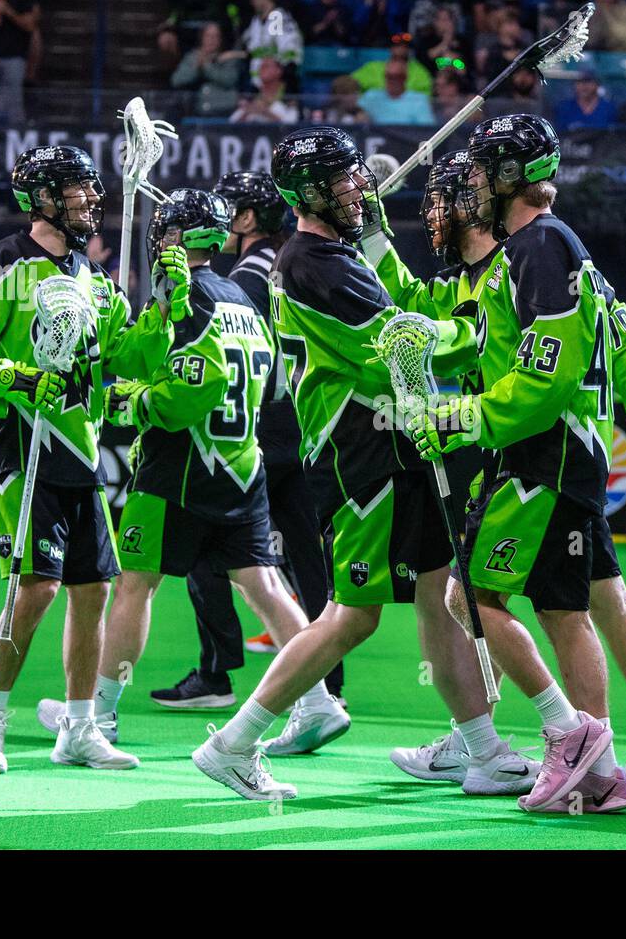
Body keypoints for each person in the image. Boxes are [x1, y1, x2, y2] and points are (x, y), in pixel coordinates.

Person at [191, 127, 536, 801]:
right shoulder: (315, 262)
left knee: (443, 596)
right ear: (308, 193)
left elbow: (401, 313)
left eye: (357, 176)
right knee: (353, 615)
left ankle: (483, 750)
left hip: (394, 450)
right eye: (343, 180)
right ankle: (233, 743)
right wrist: (480, 331)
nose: (357, 187)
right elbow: (398, 344)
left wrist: (377, 234)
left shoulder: (335, 255)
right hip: (361, 456)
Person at [362, 149, 626, 793]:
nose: (441, 212)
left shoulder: (533, 252)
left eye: (455, 195)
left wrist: (456, 416)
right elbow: (623, 336)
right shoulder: (547, 254)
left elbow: (532, 371)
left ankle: (576, 749)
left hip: (541, 451)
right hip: (567, 448)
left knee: (492, 600)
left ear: (489, 193)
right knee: (594, 600)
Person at [34, 189, 349, 755]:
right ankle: (318, 700)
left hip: (181, 466)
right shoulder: (242, 298)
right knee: (265, 583)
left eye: (166, 228)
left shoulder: (187, 296)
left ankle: (97, 718)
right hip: (243, 463)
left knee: (135, 585)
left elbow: (186, 391)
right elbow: (267, 382)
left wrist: (135, 399)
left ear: (178, 236)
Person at [0, 145, 175, 773]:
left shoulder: (95, 278)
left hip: (78, 448)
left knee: (92, 590)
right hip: (19, 440)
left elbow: (128, 355)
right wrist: (16, 378)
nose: (92, 199)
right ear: (41, 198)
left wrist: (169, 301)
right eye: (76, 189)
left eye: (93, 189)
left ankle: (80, 726)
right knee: (34, 587)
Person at [147, 171, 343, 709]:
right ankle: (324, 684)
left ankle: (217, 674)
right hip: (296, 428)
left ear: (246, 218)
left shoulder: (246, 279)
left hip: (250, 429)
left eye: (225, 209)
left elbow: (217, 361)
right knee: (297, 558)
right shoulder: (285, 263)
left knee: (211, 559)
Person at [170, 21, 244, 118]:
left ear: (221, 39)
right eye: (208, 36)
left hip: (223, 111)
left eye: (216, 36)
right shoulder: (192, 57)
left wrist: (206, 67)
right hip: (196, 111)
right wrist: (197, 68)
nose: (212, 40)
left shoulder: (228, 58)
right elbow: (176, 80)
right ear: (202, 38)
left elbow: (230, 79)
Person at [358, 54, 433, 125]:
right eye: (389, 76)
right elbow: (356, 117)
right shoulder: (371, 96)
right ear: (385, 76)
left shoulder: (419, 100)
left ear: (405, 78)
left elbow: (426, 129)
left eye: (397, 76)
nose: (393, 81)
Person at [553, 67, 618, 131]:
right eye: (579, 82)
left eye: (587, 81)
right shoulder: (564, 107)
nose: (583, 86)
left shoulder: (609, 108)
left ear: (597, 84)